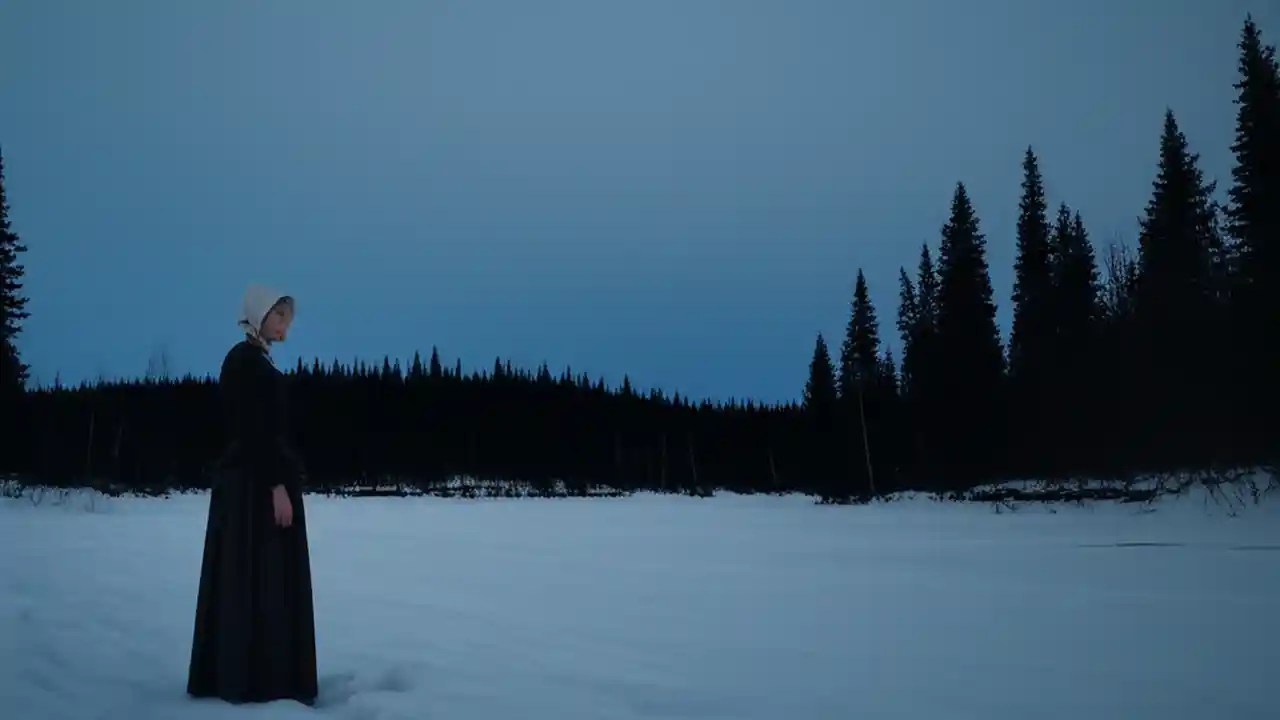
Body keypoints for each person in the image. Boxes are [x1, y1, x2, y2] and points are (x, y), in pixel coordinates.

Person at [187, 284, 318, 706]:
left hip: (250, 483)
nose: (285, 324)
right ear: (259, 317)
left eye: (287, 317)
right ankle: (256, 679)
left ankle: (258, 675)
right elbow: (253, 431)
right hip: (253, 489)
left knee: (256, 579)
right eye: (279, 316)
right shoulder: (245, 363)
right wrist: (276, 486)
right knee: (256, 578)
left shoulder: (253, 361)